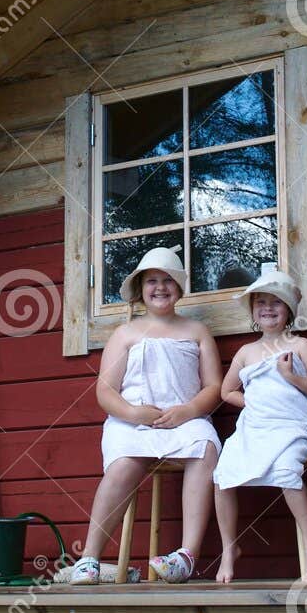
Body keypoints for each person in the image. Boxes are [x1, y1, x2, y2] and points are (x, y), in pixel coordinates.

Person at [68, 247, 220, 584]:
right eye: (152, 281)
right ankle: (89, 558)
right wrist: (134, 412)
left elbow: (213, 386)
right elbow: (105, 391)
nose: (160, 287)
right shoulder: (126, 334)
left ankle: (185, 556)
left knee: (206, 448)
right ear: (141, 288)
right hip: (132, 419)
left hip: (183, 417)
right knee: (125, 464)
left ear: (179, 288)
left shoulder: (196, 331)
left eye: (168, 280)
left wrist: (189, 410)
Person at [213, 263, 307, 582]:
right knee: (223, 475)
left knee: (286, 470)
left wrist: (291, 376)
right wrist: (253, 403)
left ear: (288, 310)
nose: (267, 308)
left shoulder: (300, 346)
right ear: (253, 311)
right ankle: (229, 549)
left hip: (293, 426)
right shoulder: (246, 352)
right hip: (255, 426)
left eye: (275, 302)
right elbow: (226, 391)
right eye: (260, 302)